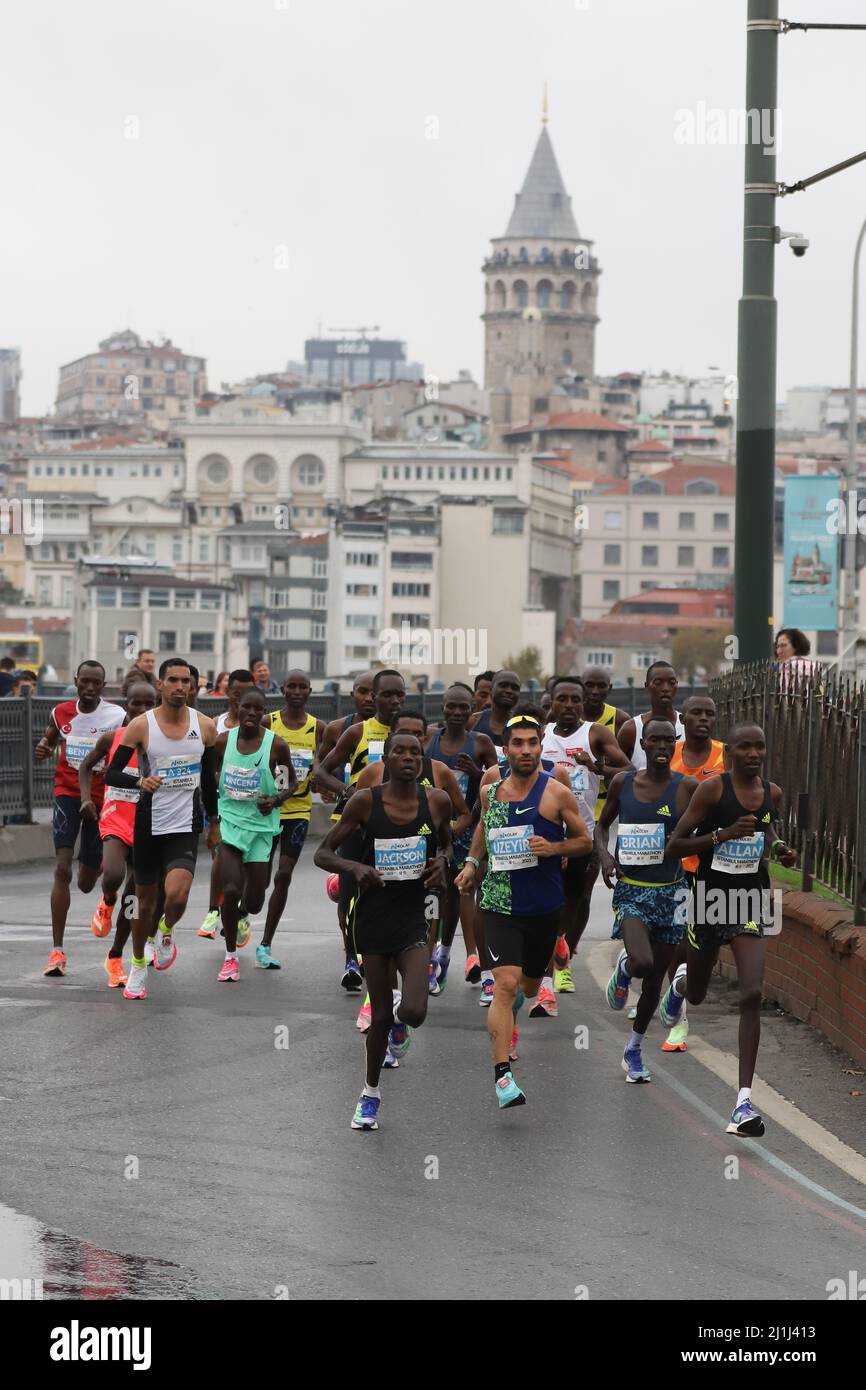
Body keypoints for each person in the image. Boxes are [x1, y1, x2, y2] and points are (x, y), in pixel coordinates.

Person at [661, 722, 797, 1137]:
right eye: (745, 747)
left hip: (750, 902)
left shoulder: (771, 792)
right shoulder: (712, 791)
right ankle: (681, 986)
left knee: (752, 992)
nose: (754, 754)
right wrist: (721, 835)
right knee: (699, 995)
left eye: (760, 747)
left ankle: (742, 1102)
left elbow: (768, 828)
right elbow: (675, 845)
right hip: (708, 901)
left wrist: (778, 849)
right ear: (731, 752)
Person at [314, 731, 452, 1131]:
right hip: (372, 919)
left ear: (422, 760)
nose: (408, 758)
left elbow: (446, 847)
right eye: (399, 752)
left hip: (413, 918)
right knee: (377, 1019)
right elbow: (324, 853)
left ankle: (396, 1016)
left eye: (415, 752)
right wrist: (355, 868)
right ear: (386, 759)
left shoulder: (436, 801)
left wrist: (442, 862)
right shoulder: (364, 801)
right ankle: (370, 1094)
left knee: (414, 1010)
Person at [455, 715, 591, 1108]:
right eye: (518, 743)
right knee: (506, 984)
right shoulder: (490, 792)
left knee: (530, 988)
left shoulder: (556, 792)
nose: (526, 750)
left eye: (533, 742)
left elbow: (583, 841)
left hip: (544, 908)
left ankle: (538, 977)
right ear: (506, 749)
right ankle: (503, 1078)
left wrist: (554, 849)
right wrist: (470, 864)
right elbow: (483, 828)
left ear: (540, 746)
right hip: (498, 903)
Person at [104, 657, 220, 1001]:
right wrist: (142, 780)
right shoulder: (142, 726)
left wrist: (214, 824)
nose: (181, 686)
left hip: (186, 824)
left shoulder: (205, 727)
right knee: (143, 903)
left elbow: (209, 782)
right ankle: (137, 964)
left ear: (193, 686)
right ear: (161, 684)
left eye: (186, 681)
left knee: (178, 895)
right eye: (173, 680)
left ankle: (166, 931)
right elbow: (112, 773)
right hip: (148, 824)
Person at [596, 719, 696, 1083]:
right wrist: (605, 857)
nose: (662, 746)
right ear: (643, 742)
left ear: (676, 744)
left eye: (669, 740)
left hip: (672, 891)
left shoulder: (687, 788)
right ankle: (624, 968)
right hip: (633, 889)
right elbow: (601, 825)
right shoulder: (623, 782)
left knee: (655, 981)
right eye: (655, 739)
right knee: (641, 960)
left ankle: (634, 1048)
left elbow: (699, 832)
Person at [355, 711, 472, 999]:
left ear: (425, 739)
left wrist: (443, 852)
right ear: (388, 746)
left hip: (423, 883)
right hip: (379, 885)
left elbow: (463, 815)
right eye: (400, 743)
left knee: (421, 933)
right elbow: (355, 828)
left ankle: (421, 974)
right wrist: (351, 867)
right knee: (382, 943)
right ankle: (384, 995)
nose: (408, 753)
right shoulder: (372, 775)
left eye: (416, 739)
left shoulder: (440, 775)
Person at [316, 669, 406, 990]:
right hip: (358, 824)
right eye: (385, 695)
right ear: (374, 697)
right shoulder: (357, 732)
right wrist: (347, 791)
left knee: (388, 892)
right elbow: (320, 772)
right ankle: (352, 959)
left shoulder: (414, 733)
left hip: (398, 826)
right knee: (353, 892)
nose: (392, 701)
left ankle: (390, 954)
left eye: (399, 695)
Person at [34, 660, 125, 977]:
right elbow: (50, 738)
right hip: (67, 792)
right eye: (83, 682)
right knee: (61, 868)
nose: (88, 688)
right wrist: (44, 747)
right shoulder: (60, 712)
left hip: (102, 797)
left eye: (95, 683)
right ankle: (56, 951)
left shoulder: (116, 716)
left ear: (104, 685)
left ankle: (105, 891)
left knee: (87, 883)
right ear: (75, 681)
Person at [541, 677, 630, 993]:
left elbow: (628, 771)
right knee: (547, 899)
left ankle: (563, 961)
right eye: (562, 698)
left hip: (584, 832)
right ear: (551, 701)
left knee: (576, 898)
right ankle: (548, 959)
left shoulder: (594, 733)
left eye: (575, 699)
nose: (568, 705)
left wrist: (595, 767)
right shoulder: (542, 735)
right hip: (547, 831)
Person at [211, 688, 292, 983]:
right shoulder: (223, 741)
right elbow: (212, 774)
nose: (252, 714)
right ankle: (231, 957)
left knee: (255, 900)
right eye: (247, 708)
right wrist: (214, 813)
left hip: (261, 829)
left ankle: (245, 914)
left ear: (264, 712)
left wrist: (277, 800)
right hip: (231, 824)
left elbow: (290, 783)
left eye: (258, 710)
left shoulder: (276, 746)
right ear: (238, 707)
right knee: (230, 889)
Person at [80, 682, 158, 987]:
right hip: (115, 817)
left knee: (135, 895)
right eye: (135, 704)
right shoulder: (114, 738)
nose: (141, 710)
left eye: (148, 704)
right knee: (112, 874)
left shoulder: (160, 741)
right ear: (126, 705)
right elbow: (85, 767)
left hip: (148, 821)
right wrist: (87, 798)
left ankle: (115, 956)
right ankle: (107, 899)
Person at [663, 694, 726, 1050]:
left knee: (704, 943)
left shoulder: (726, 755)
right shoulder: (668, 754)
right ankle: (680, 1019)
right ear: (682, 718)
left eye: (710, 714)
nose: (703, 718)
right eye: (696, 713)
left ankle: (681, 992)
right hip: (675, 863)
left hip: (714, 865)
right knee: (677, 942)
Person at [426, 685, 498, 986]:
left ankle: (473, 958)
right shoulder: (429, 740)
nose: (457, 712)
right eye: (451, 707)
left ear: (472, 710)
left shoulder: (479, 742)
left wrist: (475, 774)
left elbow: (498, 784)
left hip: (469, 827)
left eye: (463, 707)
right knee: (438, 895)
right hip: (434, 829)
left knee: (465, 889)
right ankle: (436, 956)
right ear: (443, 708)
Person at [260, 671, 324, 969]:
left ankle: (266, 943)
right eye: (292, 687)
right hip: (265, 810)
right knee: (258, 878)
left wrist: (320, 783)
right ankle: (244, 914)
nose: (297, 691)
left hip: (297, 812)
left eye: (302, 687)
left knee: (283, 874)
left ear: (309, 691)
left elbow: (322, 768)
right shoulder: (268, 723)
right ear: (283, 690)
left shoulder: (317, 728)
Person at [197, 669, 255, 938]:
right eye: (236, 691)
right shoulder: (215, 724)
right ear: (227, 691)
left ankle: (239, 914)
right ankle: (213, 911)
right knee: (221, 855)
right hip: (221, 801)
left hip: (249, 805)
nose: (240, 697)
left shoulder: (260, 727)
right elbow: (206, 767)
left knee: (242, 864)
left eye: (247, 691)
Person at [617, 662, 685, 770]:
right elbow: (614, 775)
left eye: (671, 683)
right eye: (658, 683)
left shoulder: (687, 726)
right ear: (647, 686)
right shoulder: (631, 729)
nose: (666, 688)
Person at [468, 669, 521, 768]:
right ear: (492, 690)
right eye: (503, 685)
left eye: (514, 688)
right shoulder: (473, 721)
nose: (509, 691)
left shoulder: (524, 726)